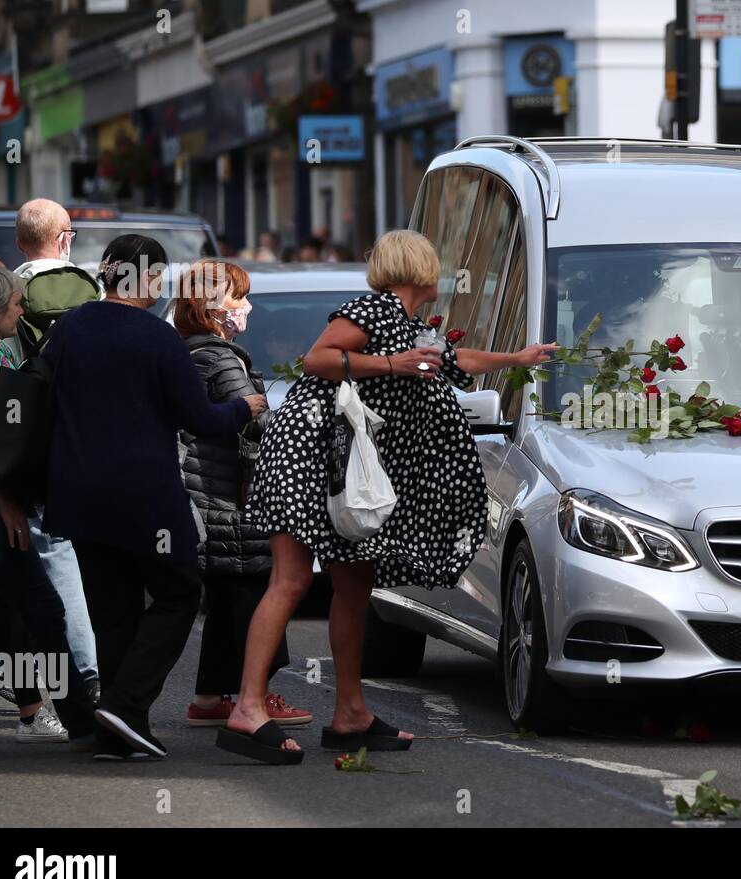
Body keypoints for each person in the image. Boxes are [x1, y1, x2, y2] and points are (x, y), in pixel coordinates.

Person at [218, 229, 557, 764]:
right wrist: (391, 365)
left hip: (339, 468)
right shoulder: (372, 309)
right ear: (419, 269)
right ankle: (248, 707)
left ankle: (350, 712)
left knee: (355, 585)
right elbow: (318, 359)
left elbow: (455, 359)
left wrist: (517, 358)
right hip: (308, 456)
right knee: (291, 580)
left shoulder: (407, 325)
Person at [42, 235, 266, 760]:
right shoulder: (157, 337)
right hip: (145, 495)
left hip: (78, 492)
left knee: (111, 608)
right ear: (148, 279)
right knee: (178, 592)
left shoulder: (69, 327)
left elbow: (42, 399)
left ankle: (120, 727)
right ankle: (125, 704)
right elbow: (200, 418)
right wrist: (246, 408)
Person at [173, 259, 311, 728]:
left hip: (210, 494)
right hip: (229, 497)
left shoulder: (190, 349)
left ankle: (210, 698)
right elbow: (258, 422)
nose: (246, 307)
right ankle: (260, 694)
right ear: (211, 307)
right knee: (255, 589)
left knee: (229, 596)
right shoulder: (217, 355)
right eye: (237, 298)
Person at [0, 263, 97, 744]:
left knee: (44, 612)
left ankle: (83, 723)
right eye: (16, 303)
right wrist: (6, 504)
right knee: (42, 612)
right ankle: (83, 721)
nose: (22, 310)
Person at [11, 199, 102, 706]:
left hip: (38, 442)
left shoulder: (11, 292)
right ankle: (109, 671)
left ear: (20, 240)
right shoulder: (94, 291)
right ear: (66, 237)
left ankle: (83, 675)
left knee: (52, 552)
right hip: (95, 440)